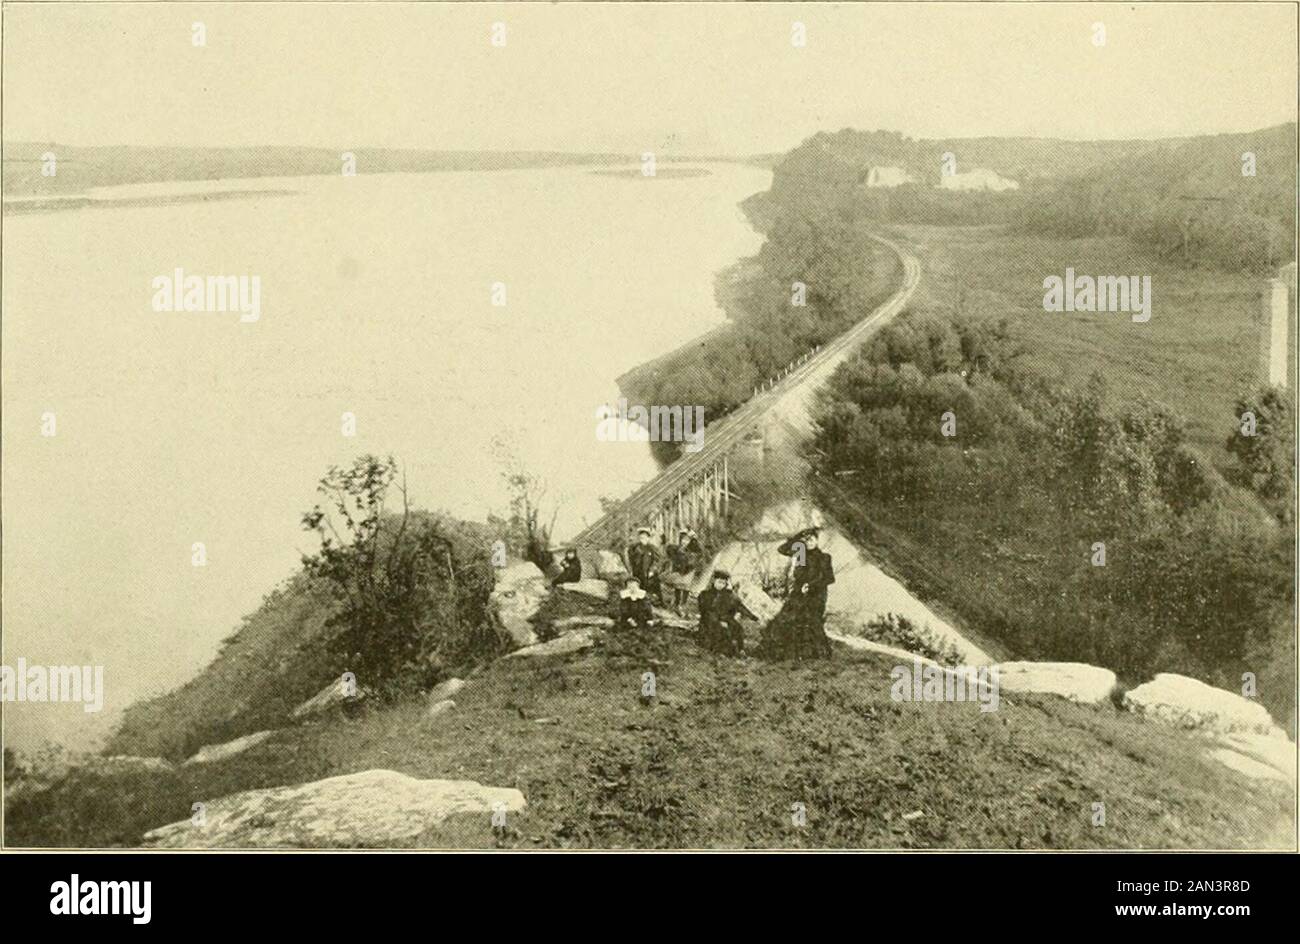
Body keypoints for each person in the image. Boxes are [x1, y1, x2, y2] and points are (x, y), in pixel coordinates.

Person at [759, 527, 835, 660]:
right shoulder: (801, 554)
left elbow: (829, 578)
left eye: (811, 539)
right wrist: (797, 537)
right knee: (786, 618)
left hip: (816, 594)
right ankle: (786, 653)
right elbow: (782, 549)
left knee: (812, 621)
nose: (808, 542)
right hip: (799, 593)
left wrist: (811, 586)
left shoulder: (824, 557)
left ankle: (820, 654)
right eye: (806, 540)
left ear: (817, 540)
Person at [696, 569, 757, 656]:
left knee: (738, 627)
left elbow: (739, 606)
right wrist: (720, 620)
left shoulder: (728, 595)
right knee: (722, 628)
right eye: (719, 582)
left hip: (724, 618)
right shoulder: (705, 594)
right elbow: (706, 611)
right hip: (709, 621)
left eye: (723, 583)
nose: (721, 585)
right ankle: (721, 651)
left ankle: (741, 650)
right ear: (714, 581)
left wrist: (752, 616)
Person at [664, 529, 703, 614]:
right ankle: (677, 603)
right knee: (678, 586)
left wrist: (694, 539)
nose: (684, 542)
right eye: (683, 540)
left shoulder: (692, 549)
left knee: (686, 587)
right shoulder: (677, 549)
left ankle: (683, 604)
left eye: (687, 540)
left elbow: (699, 551)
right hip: (679, 570)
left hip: (688, 570)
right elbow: (669, 551)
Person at [625, 527, 662, 603]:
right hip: (637, 571)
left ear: (648, 538)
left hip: (648, 572)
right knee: (637, 586)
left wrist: (652, 570)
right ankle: (638, 600)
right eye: (641, 537)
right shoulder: (635, 547)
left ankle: (654, 600)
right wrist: (631, 569)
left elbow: (657, 561)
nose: (643, 539)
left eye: (645, 537)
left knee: (651, 586)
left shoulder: (652, 548)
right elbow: (630, 558)